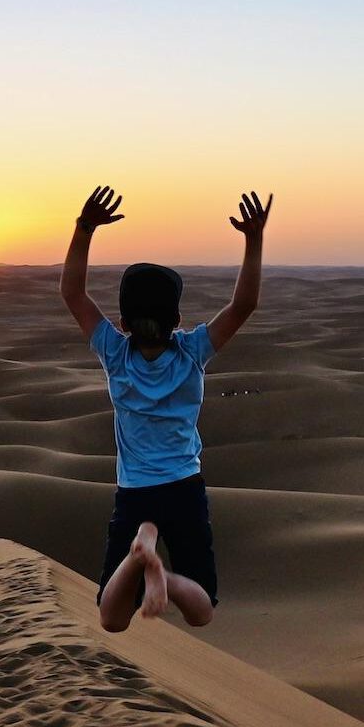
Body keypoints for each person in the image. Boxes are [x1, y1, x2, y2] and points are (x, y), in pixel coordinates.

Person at [59, 184, 273, 632]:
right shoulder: (192, 352)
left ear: (122, 323)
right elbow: (244, 304)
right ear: (177, 321)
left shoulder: (114, 355)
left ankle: (142, 552)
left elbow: (74, 295)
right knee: (202, 610)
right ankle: (167, 578)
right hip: (183, 487)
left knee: (111, 618)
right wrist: (253, 240)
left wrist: (84, 230)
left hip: (135, 491)